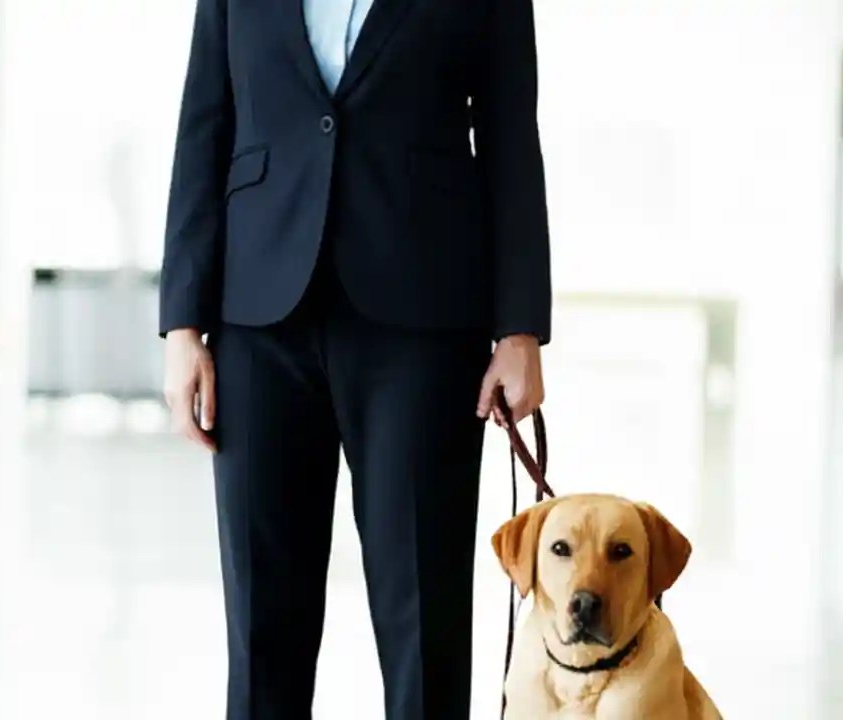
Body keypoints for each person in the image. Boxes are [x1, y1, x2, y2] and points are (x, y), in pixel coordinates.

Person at [159, 0, 550, 717]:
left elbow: (509, 136)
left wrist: (519, 328)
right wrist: (182, 322)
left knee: (423, 619)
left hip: (422, 321)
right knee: (260, 625)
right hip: (258, 320)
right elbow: (204, 120)